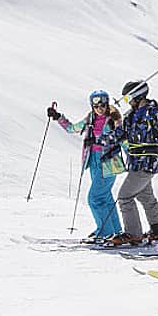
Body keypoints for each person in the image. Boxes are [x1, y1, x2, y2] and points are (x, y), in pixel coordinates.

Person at [100, 80, 158, 245]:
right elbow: (120, 134)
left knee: (124, 197)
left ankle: (133, 234)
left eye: (128, 98)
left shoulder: (154, 112)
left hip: (146, 163)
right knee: (145, 196)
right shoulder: (131, 115)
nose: (128, 102)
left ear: (137, 95)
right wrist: (100, 139)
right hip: (136, 163)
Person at [46, 91, 124, 240]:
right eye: (96, 105)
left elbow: (122, 137)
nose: (99, 108)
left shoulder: (114, 119)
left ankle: (105, 233)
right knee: (105, 197)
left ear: (107, 104)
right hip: (93, 160)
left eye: (102, 105)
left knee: (94, 198)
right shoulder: (90, 119)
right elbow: (72, 128)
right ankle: (116, 231)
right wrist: (58, 117)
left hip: (108, 162)